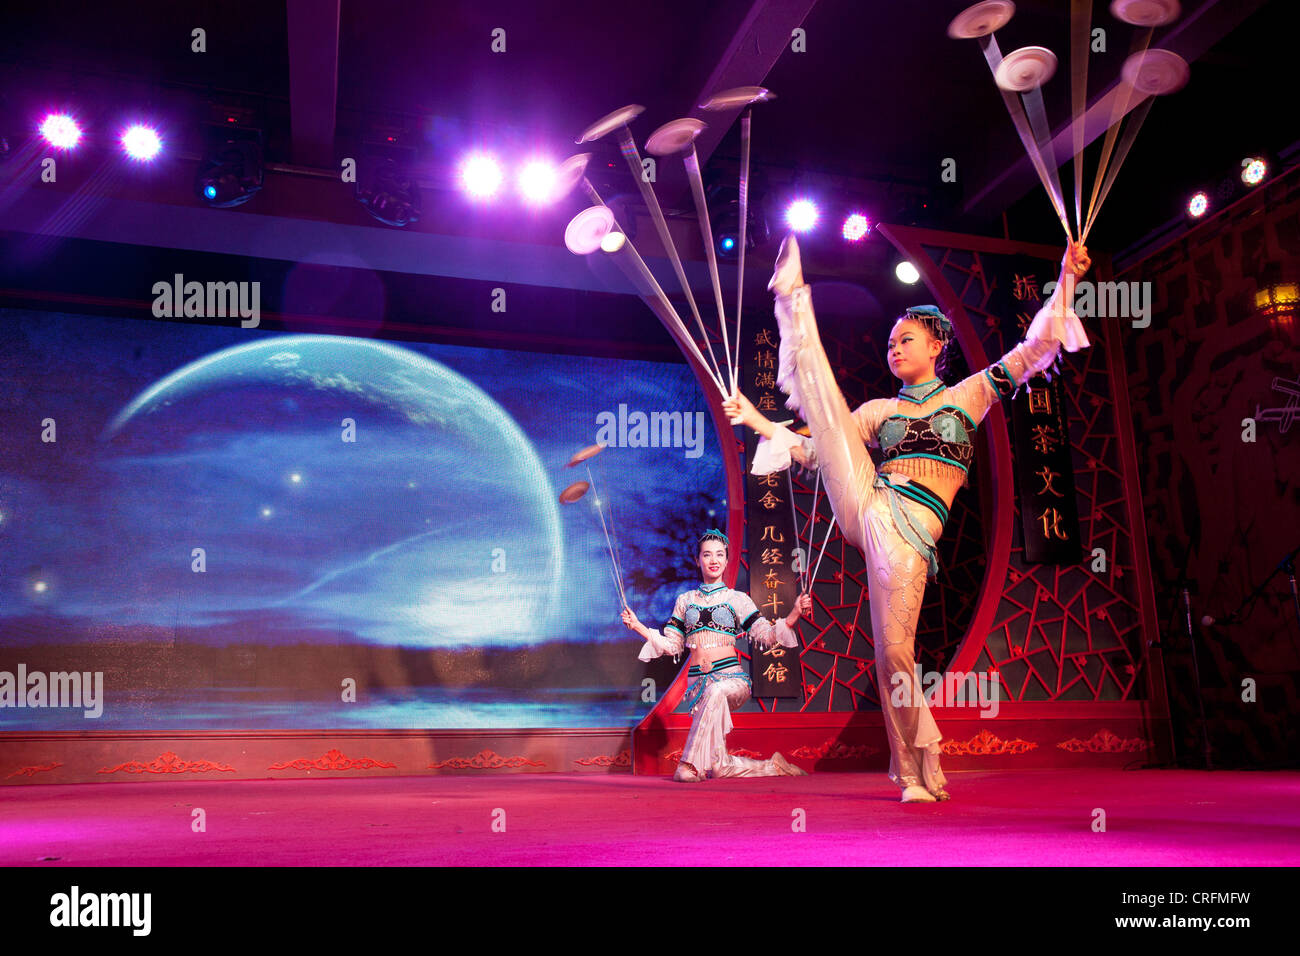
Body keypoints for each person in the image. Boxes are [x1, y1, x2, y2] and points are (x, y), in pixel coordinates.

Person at [724, 235, 1091, 803]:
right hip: (870, 499)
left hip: (912, 532)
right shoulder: (880, 411)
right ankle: (794, 298)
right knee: (830, 418)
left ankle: (917, 771)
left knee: (893, 651)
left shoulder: (970, 395)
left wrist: (1067, 277)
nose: (894, 349)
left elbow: (1032, 347)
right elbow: (820, 445)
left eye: (906, 340)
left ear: (937, 343)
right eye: (891, 343)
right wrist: (758, 422)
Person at [622, 529, 813, 782]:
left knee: (717, 691)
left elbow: (766, 635)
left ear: (726, 560)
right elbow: (673, 646)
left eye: (720, 555)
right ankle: (774, 766)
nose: (714, 560)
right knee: (720, 767)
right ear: (698, 559)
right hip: (699, 687)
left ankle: (688, 764)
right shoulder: (685, 600)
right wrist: (638, 626)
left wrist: (794, 614)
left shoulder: (737, 599)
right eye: (708, 554)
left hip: (732, 683)